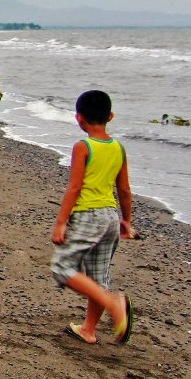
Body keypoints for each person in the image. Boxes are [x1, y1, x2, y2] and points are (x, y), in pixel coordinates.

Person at [50, 89, 136, 345]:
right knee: (99, 277)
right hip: (111, 216)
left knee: (62, 268)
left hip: (88, 215)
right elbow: (124, 189)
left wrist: (61, 222)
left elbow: (74, 188)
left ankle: (113, 303)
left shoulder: (83, 147)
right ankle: (88, 329)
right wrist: (126, 221)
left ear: (78, 118)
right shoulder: (118, 148)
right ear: (110, 116)